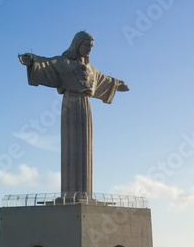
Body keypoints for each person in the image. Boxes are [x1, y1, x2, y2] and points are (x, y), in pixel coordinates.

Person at [19, 31, 128, 197]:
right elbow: (47, 63)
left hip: (85, 107)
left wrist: (116, 84)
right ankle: (69, 195)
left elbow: (104, 80)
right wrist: (32, 61)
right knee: (70, 146)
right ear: (77, 45)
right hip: (70, 105)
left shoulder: (91, 70)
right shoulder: (64, 63)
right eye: (86, 45)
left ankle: (85, 195)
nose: (89, 49)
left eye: (91, 47)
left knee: (86, 147)